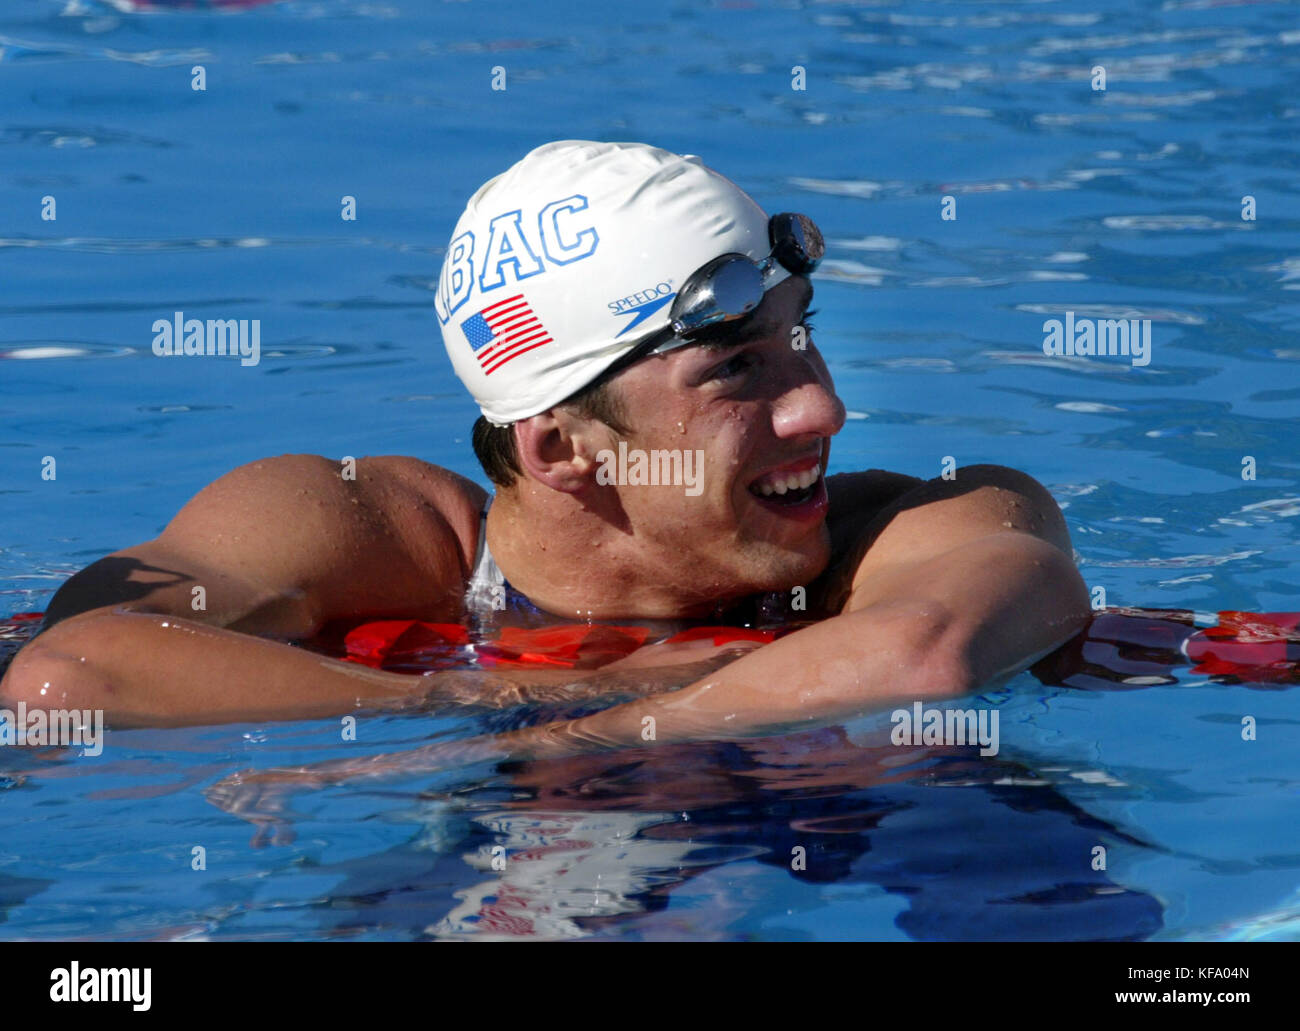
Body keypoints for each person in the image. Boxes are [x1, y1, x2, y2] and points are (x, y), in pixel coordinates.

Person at [0, 140, 1090, 742]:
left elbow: (926, 654)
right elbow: (68, 671)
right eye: (737, 369)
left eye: (801, 338)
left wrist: (588, 736)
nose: (821, 410)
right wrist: (479, 697)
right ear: (559, 449)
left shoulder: (916, 524)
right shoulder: (362, 526)